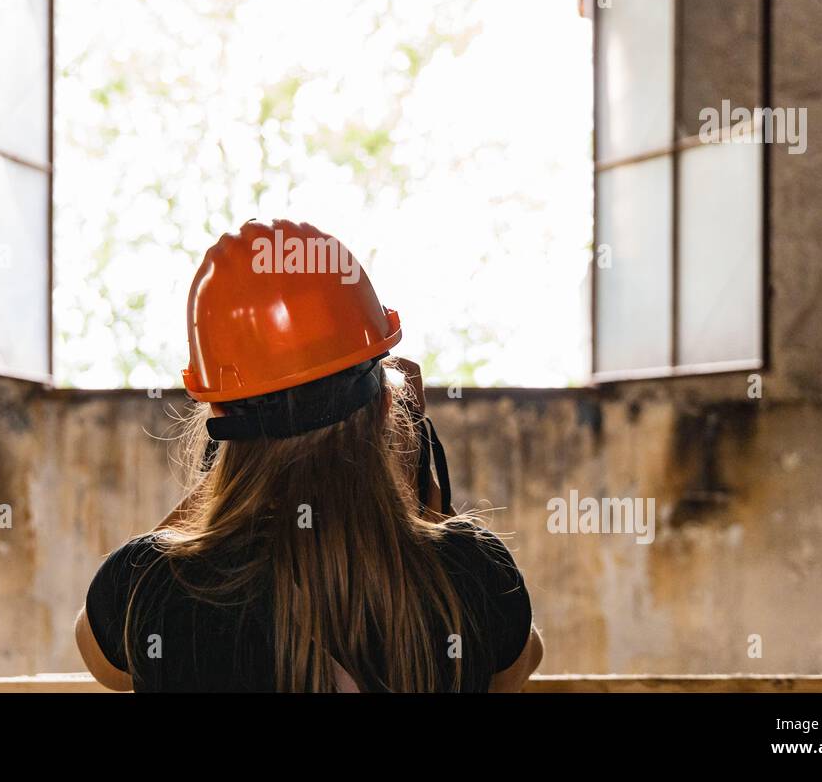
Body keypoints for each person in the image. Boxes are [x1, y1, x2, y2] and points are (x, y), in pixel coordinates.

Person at [75, 219, 542, 692]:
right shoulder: (475, 577)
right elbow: (515, 664)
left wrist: (231, 474)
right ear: (385, 408)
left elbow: (102, 657)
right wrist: (424, 487)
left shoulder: (150, 589)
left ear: (216, 411)